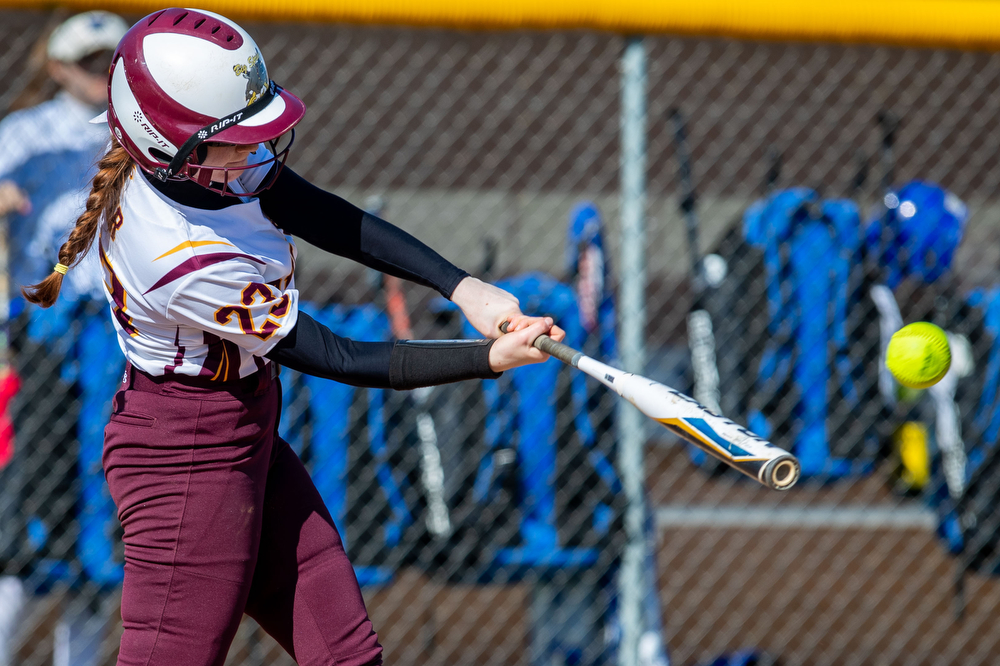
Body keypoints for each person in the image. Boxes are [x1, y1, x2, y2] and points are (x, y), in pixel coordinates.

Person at [22, 8, 564, 665]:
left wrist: (463, 287)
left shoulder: (199, 165)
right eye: (237, 138)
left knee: (346, 656)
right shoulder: (177, 254)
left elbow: (318, 211)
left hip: (244, 430)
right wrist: (488, 359)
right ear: (169, 147)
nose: (256, 150)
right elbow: (335, 354)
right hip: (187, 458)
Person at [0, 11, 128, 666]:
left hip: (120, 342)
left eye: (111, 60)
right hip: (44, 342)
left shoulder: (142, 132)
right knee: (31, 520)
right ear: (56, 67)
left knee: (102, 530)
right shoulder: (24, 134)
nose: (100, 73)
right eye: (87, 61)